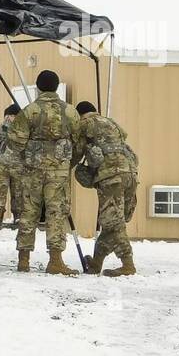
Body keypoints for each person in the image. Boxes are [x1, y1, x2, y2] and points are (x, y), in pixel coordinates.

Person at [7, 70, 83, 274]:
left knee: (28, 212)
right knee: (56, 213)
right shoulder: (70, 112)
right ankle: (55, 260)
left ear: (38, 88)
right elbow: (79, 143)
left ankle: (23, 259)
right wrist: (67, 163)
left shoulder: (29, 111)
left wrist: (26, 159)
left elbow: (15, 142)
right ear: (57, 87)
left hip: (32, 171)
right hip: (59, 172)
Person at [74, 101, 139, 276]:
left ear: (79, 115)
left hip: (111, 176)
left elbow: (77, 151)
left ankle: (128, 264)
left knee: (113, 222)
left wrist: (65, 167)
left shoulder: (84, 124)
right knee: (112, 221)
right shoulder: (111, 122)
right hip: (130, 173)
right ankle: (96, 263)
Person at [0, 103, 23, 228]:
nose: (7, 118)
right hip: (10, 165)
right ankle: (5, 217)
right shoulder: (9, 128)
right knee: (6, 191)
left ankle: (8, 217)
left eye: (9, 116)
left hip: (12, 165)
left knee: (11, 191)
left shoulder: (10, 127)